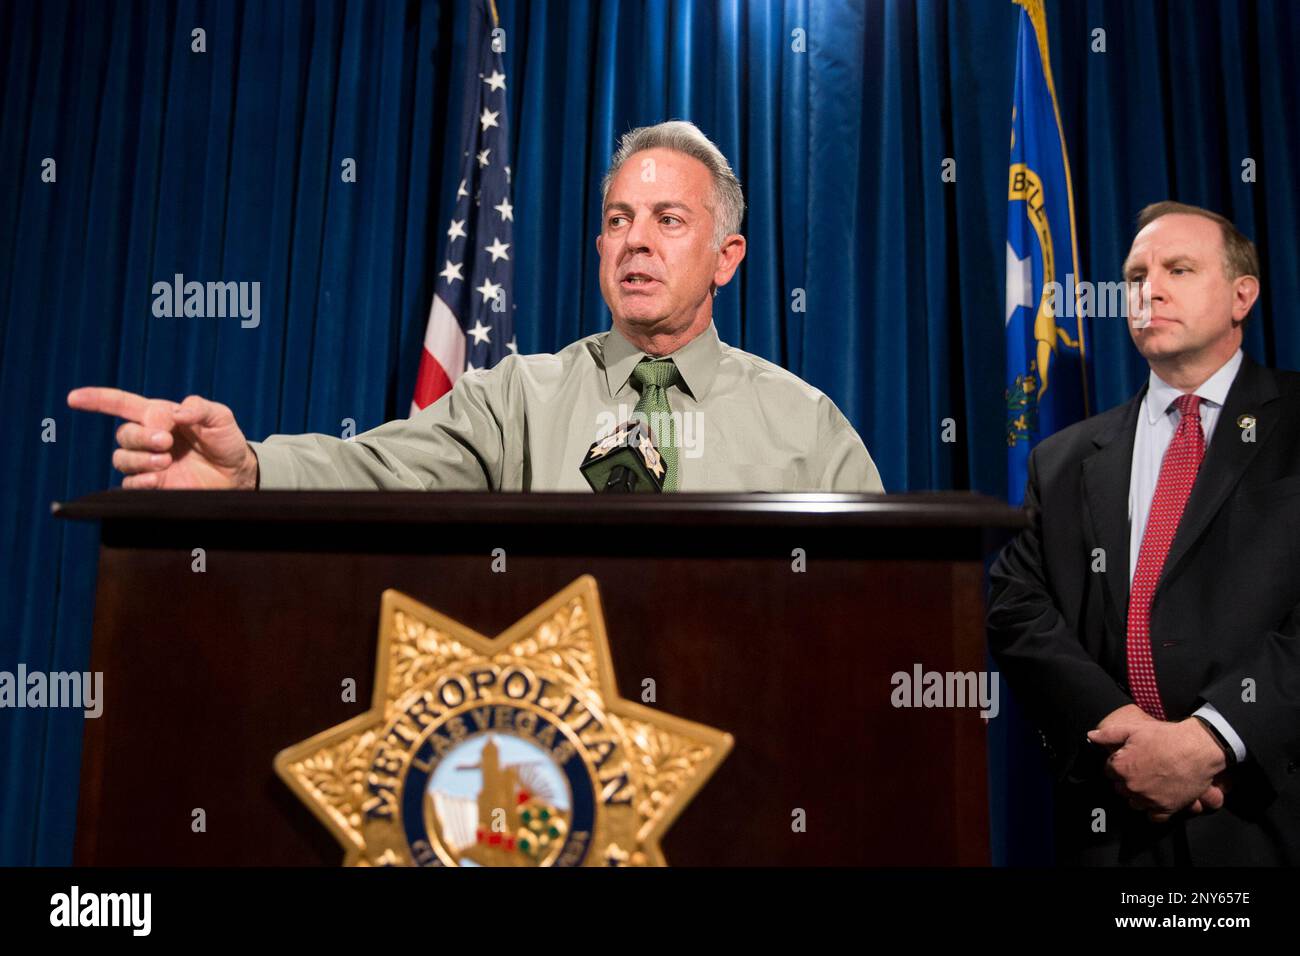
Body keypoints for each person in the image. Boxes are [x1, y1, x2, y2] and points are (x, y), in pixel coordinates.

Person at [67, 120, 883, 494]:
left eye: (669, 221)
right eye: (617, 220)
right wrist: (253, 469)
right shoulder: (516, 397)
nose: (636, 242)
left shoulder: (806, 427)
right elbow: (379, 469)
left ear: (726, 258)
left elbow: (879, 603)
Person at [988, 201, 1300, 865]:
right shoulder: (1065, 458)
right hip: (1117, 822)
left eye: (1179, 269)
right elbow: (1017, 608)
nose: (1147, 290)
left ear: (1242, 294)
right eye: (1134, 277)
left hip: (1269, 813)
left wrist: (1213, 738)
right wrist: (1124, 732)